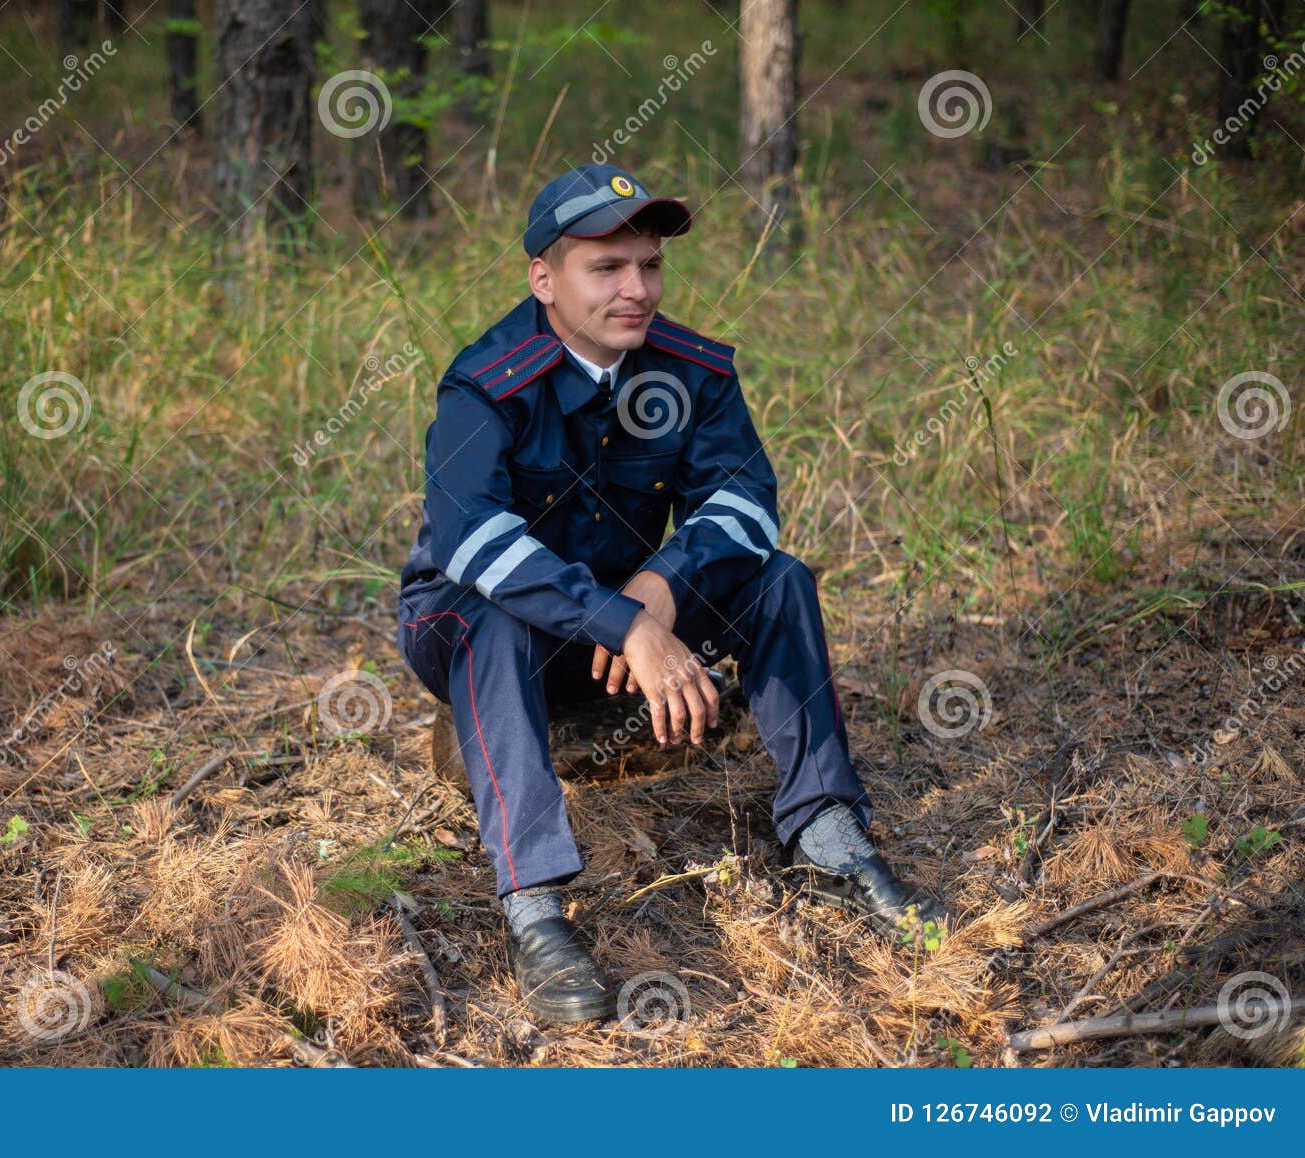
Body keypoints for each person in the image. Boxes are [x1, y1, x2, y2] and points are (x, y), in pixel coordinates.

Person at [395, 162, 948, 1024]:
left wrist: (659, 588)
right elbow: (472, 540)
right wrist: (626, 623)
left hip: (622, 618)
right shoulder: (487, 382)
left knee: (780, 579)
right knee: (491, 619)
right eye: (606, 268)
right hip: (477, 624)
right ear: (544, 278)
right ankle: (535, 907)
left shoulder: (691, 371)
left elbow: (745, 501)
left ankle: (827, 833)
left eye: (650, 265)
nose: (637, 288)